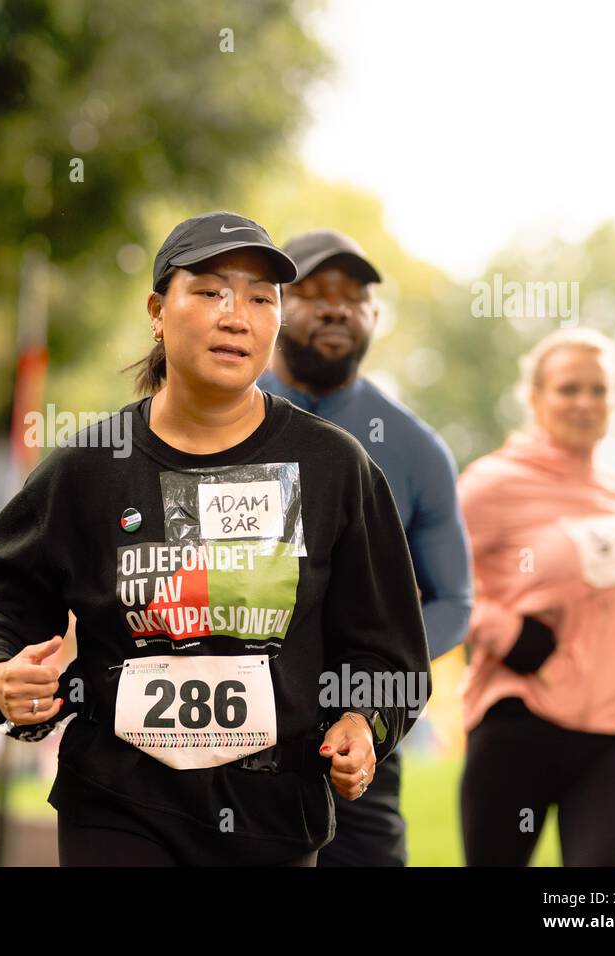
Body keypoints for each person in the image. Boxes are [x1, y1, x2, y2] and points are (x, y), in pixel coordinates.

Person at [0, 211, 431, 866]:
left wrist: (363, 724)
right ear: (157, 311)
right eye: (210, 292)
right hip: (118, 801)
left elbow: (387, 647)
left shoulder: (334, 467)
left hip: (271, 817)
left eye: (261, 298)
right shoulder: (88, 468)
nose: (237, 316)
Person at [258, 228, 473, 866]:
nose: (336, 308)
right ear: (272, 305)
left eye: (355, 296)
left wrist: (367, 684)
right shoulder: (217, 417)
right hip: (223, 733)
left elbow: (453, 601)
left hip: (359, 741)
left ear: (374, 316)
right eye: (315, 292)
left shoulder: (414, 449)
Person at [457, 328, 615, 866]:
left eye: (598, 390)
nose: (585, 402)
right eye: (568, 389)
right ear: (535, 398)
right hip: (521, 720)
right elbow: (428, 578)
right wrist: (506, 633)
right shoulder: (491, 484)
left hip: (614, 724)